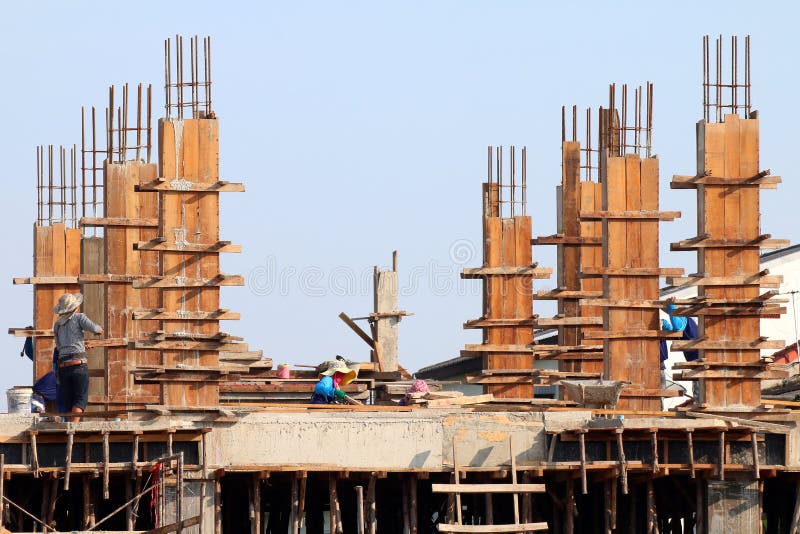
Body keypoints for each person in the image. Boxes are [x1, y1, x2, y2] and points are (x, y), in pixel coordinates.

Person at [53, 293, 103, 421]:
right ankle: (72, 431)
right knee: (80, 400)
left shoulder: (57, 325)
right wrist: (100, 330)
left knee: (70, 403)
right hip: (78, 366)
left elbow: (60, 347)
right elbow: (96, 329)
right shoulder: (79, 318)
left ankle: (70, 432)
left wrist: (79, 347)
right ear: (74, 307)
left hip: (63, 367)